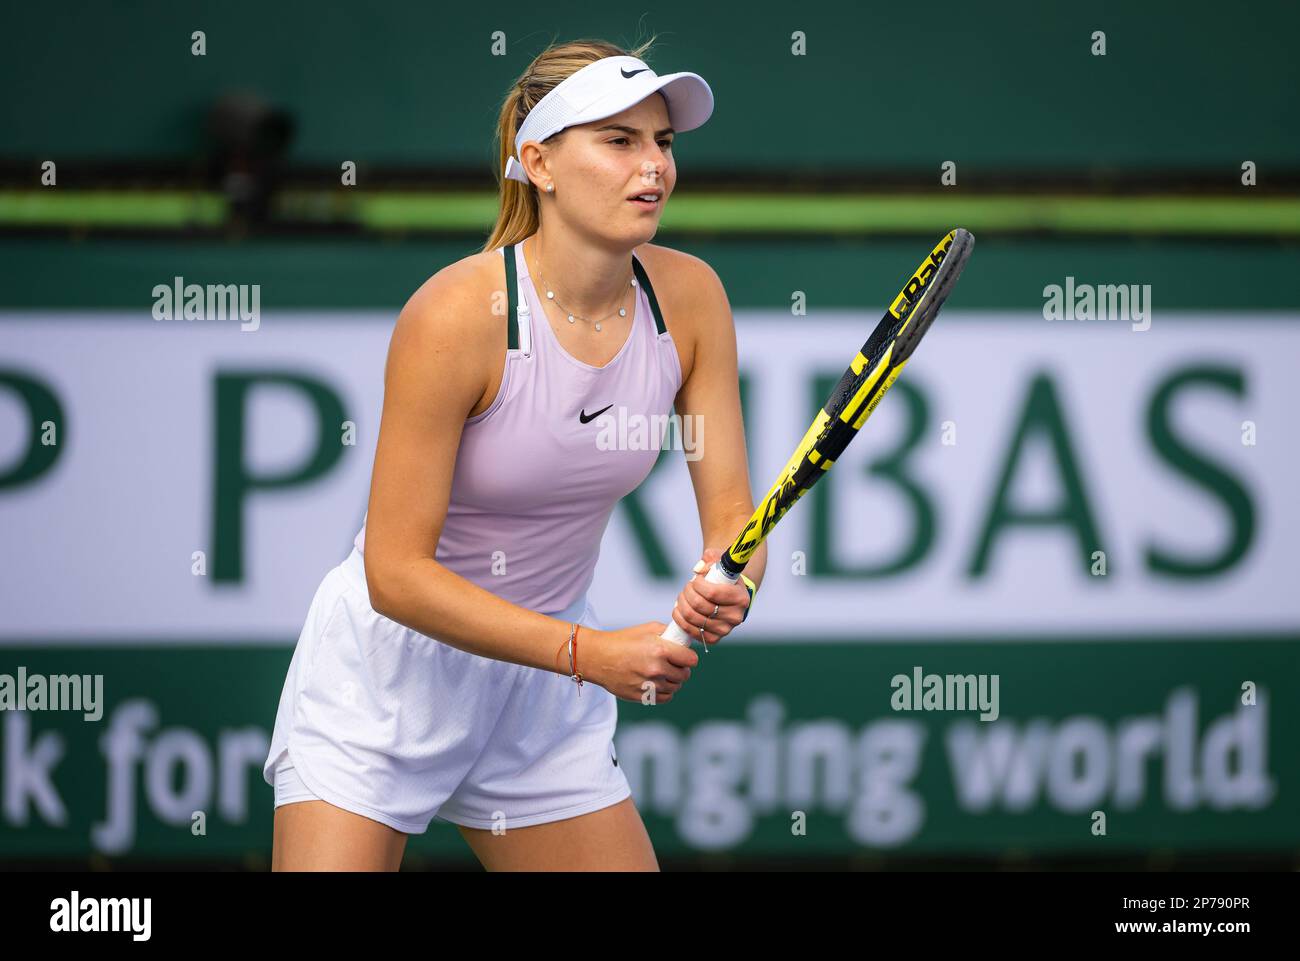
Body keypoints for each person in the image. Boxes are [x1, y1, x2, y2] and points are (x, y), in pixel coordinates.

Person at [263, 36, 767, 871]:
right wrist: (592, 654)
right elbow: (395, 572)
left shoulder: (692, 299)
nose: (655, 166)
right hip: (384, 686)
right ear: (539, 161)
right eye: (620, 140)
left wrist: (732, 579)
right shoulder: (457, 316)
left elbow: (733, 525)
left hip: (541, 700)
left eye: (664, 142)